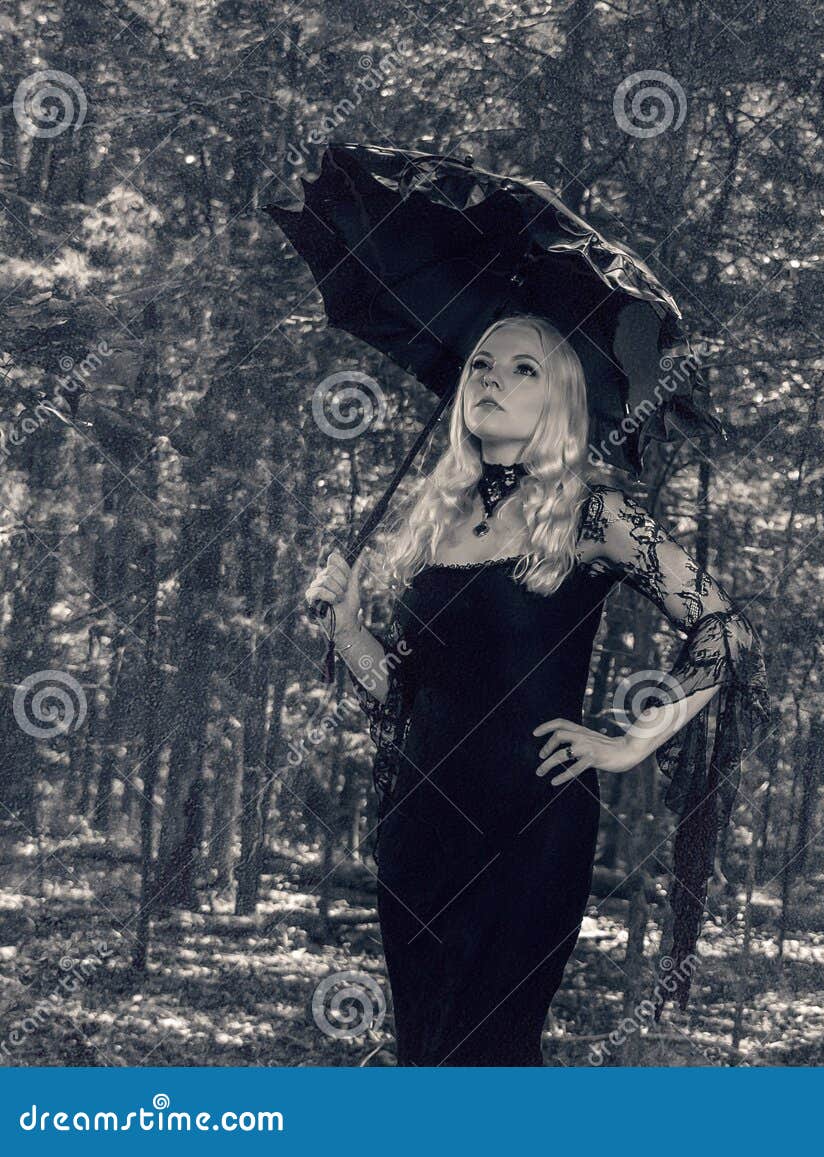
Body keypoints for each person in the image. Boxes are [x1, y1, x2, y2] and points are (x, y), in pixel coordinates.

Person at [302, 312, 771, 1065]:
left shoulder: (593, 513)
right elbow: (405, 692)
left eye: (524, 368)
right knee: (424, 1056)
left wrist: (631, 741)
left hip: (531, 825)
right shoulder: (428, 520)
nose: (491, 377)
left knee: (490, 1055)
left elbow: (726, 629)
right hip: (419, 828)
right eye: (482, 363)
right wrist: (350, 628)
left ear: (558, 397)